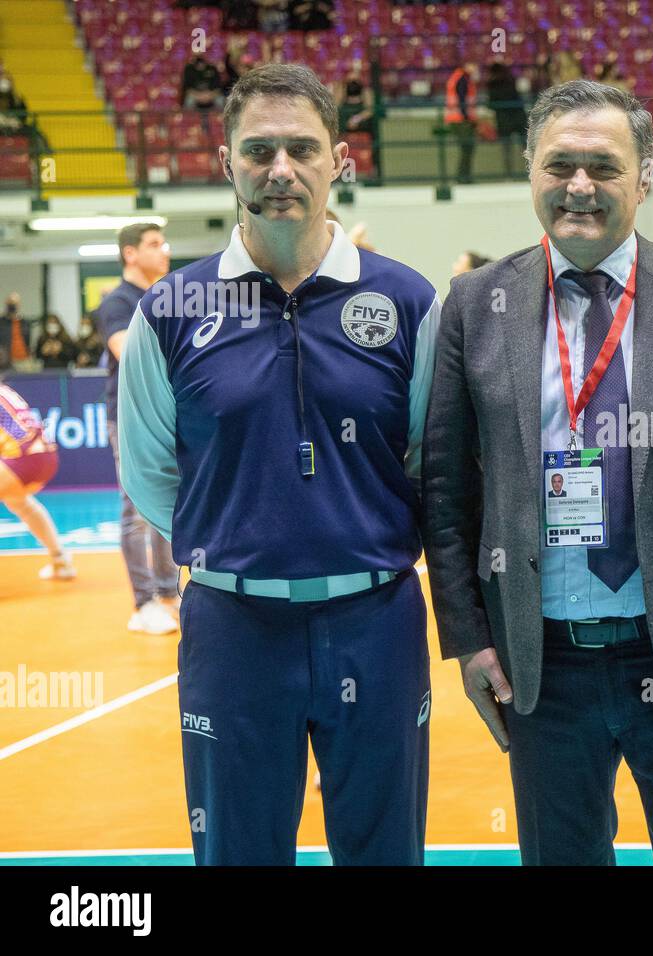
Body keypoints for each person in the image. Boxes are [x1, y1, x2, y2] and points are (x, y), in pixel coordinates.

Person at [422, 79, 653, 866]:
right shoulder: (473, 305)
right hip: (541, 663)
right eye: (560, 165)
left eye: (604, 166)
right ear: (530, 170)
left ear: (646, 176)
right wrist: (468, 639)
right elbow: (447, 492)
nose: (580, 186)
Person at [118, 63, 439, 865]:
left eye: (302, 148)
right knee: (238, 853)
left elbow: (429, 459)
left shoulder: (408, 301)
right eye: (259, 151)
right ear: (226, 163)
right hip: (233, 629)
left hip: (378, 621)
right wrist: (238, 541)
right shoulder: (172, 310)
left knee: (385, 852)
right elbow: (150, 471)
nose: (281, 169)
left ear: (341, 161)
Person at [94, 223, 180, 637]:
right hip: (129, 418)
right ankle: (143, 603)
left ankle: (168, 592)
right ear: (130, 253)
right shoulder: (118, 302)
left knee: (167, 502)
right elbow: (126, 351)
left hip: (165, 414)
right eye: (153, 244)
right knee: (136, 509)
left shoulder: (164, 297)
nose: (164, 250)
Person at [0, 382, 74, 581]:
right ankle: (60, 560)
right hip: (45, 457)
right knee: (20, 503)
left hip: (22, 458)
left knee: (19, 502)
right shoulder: (4, 390)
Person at [445, 63, 479, 184]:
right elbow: (462, 100)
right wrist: (467, 117)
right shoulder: (462, 79)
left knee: (467, 148)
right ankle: (463, 177)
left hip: (460, 119)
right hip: (461, 120)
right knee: (467, 147)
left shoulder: (458, 78)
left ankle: (464, 176)